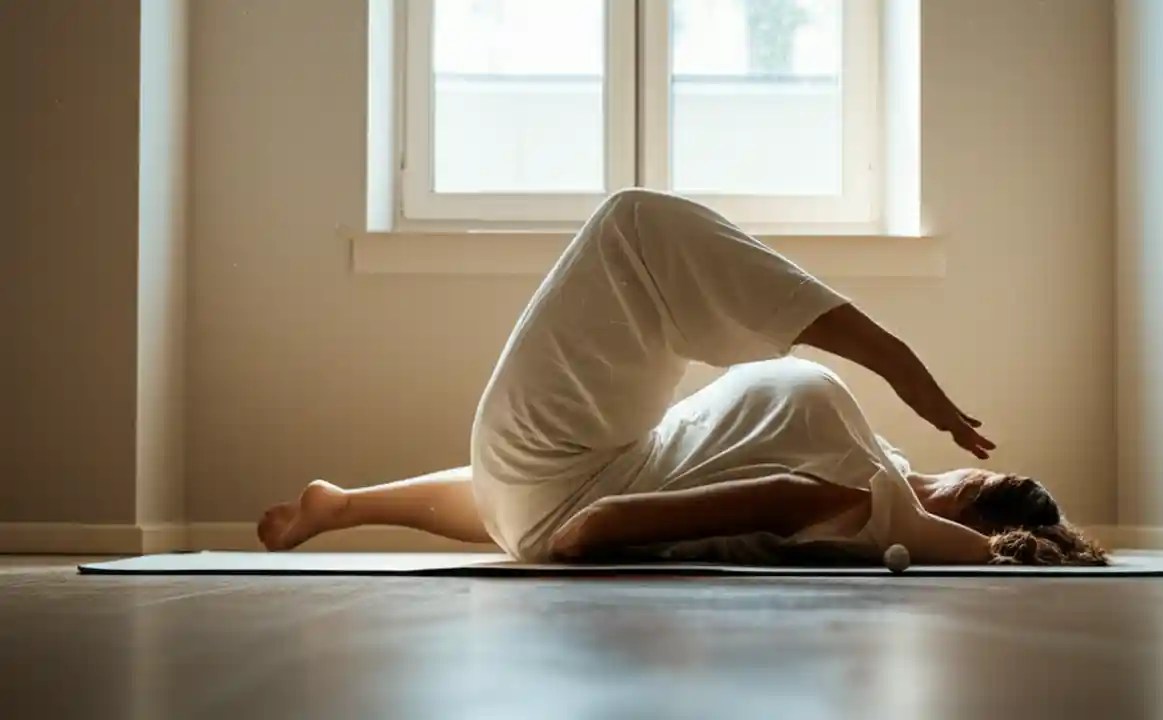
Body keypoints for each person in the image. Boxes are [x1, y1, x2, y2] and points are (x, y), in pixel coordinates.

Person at [258, 189, 1106, 566]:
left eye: (985, 477)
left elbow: (757, 500)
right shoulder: (871, 469)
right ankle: (345, 506)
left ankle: (887, 352)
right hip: (581, 471)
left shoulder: (861, 498)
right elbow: (683, 475)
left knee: (634, 227)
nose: (970, 467)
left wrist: (600, 529)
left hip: (572, 494)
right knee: (558, 468)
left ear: (970, 495)